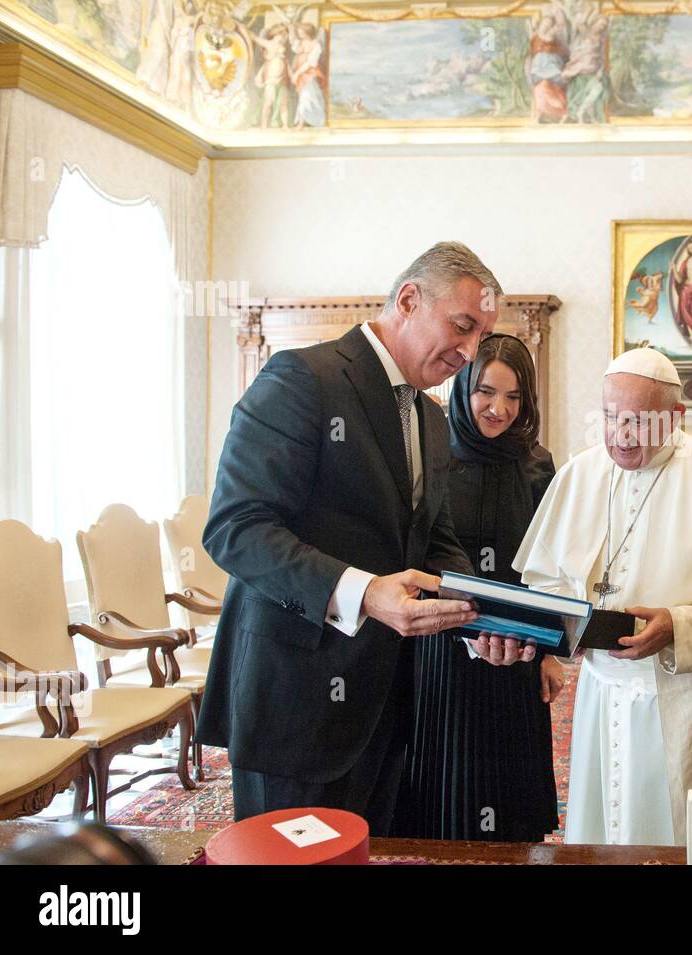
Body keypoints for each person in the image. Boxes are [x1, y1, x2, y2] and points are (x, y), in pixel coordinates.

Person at [198, 242, 530, 835]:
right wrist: (364, 593)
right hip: (295, 701)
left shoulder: (429, 417)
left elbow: (433, 543)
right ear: (408, 300)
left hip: (391, 701)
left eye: (482, 335)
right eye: (462, 326)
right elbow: (236, 528)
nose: (471, 351)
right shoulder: (302, 378)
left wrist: (480, 621)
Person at [493, 348, 692, 846]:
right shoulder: (578, 476)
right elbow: (545, 583)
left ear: (675, 417)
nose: (620, 435)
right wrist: (564, 630)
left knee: (690, 836)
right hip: (603, 690)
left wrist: (679, 626)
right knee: (604, 833)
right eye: (609, 417)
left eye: (637, 421)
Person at [393, 334, 562, 841]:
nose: (499, 409)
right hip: (442, 646)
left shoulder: (536, 463)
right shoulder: (430, 455)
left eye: (513, 397)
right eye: (486, 392)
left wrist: (549, 650)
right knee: (443, 788)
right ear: (463, 387)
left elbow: (545, 566)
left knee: (510, 788)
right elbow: (416, 552)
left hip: (517, 645)